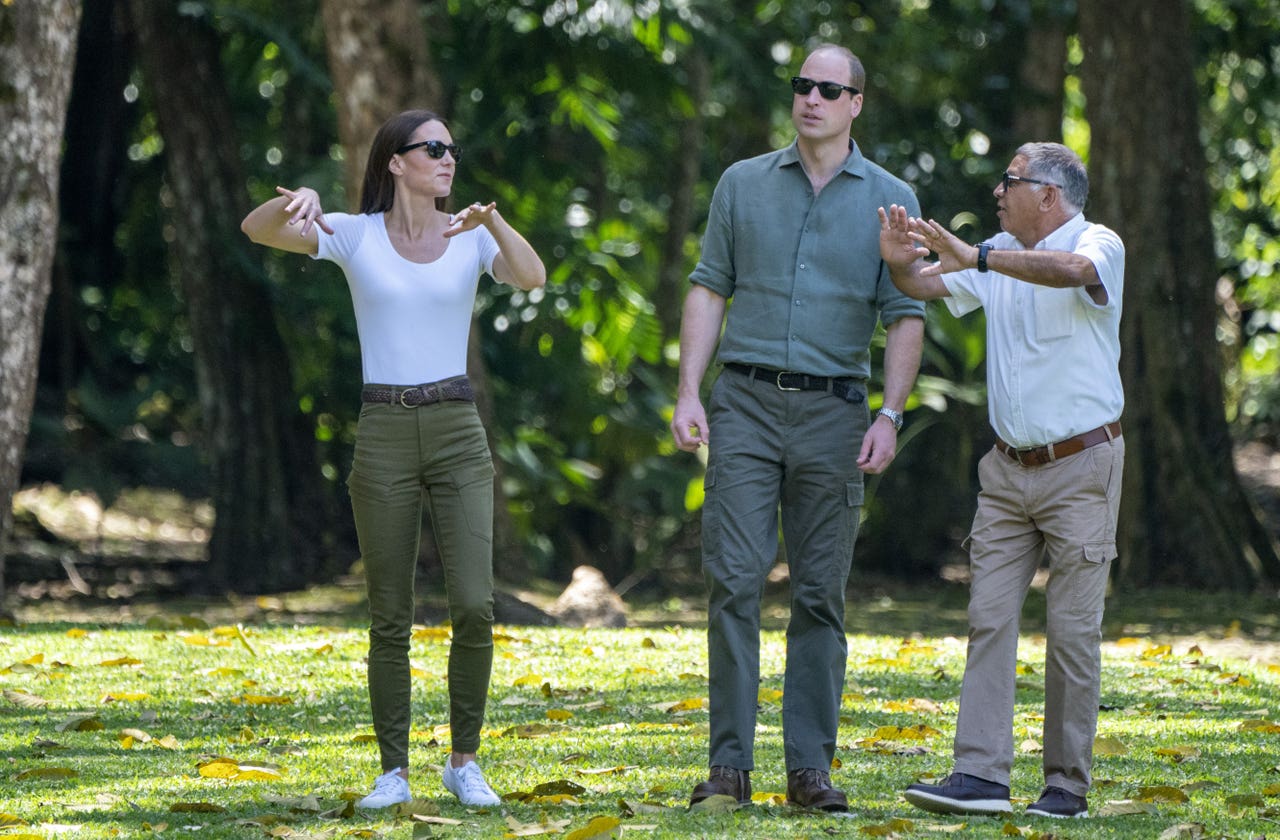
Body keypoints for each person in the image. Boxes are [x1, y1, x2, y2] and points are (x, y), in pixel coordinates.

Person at [240, 109, 546, 809]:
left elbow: (531, 277)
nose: (447, 158)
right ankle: (394, 770)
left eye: (452, 148)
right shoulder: (356, 234)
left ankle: (463, 761)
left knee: (474, 603)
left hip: (457, 427)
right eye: (432, 148)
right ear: (397, 163)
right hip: (383, 428)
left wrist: (493, 223)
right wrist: (300, 203)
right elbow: (255, 229)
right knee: (390, 614)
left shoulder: (469, 238)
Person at [670, 44, 925, 812]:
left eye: (828, 88)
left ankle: (810, 771)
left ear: (855, 104)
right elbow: (709, 290)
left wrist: (889, 413)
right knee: (734, 582)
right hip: (743, 404)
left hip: (836, 413)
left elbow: (906, 314)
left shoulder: (889, 198)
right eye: (801, 86)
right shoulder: (742, 184)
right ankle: (728, 769)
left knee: (819, 593)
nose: (810, 98)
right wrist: (688, 392)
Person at [878, 141, 1125, 820]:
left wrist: (979, 256)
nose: (997, 191)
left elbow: (1074, 272)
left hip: (1082, 467)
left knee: (1072, 634)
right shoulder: (995, 248)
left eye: (1009, 181)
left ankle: (1065, 788)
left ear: (1049, 193)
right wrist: (902, 267)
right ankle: (980, 775)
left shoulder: (1097, 242)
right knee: (989, 620)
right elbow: (928, 286)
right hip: (1008, 472)